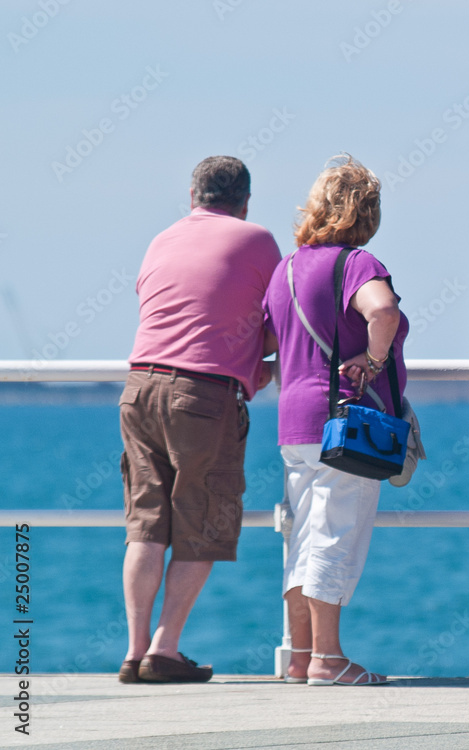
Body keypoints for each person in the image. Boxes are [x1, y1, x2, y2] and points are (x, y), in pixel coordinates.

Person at [118, 156, 282, 683]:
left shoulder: (161, 239)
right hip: (202, 395)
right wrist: (253, 365)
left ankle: (133, 649)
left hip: (139, 387)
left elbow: (163, 309)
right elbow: (280, 322)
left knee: (146, 522)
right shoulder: (256, 239)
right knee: (203, 521)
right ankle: (164, 650)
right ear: (245, 200)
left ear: (192, 197)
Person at [263, 155, 407, 686]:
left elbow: (270, 341)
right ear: (364, 211)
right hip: (344, 420)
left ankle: (301, 656)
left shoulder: (286, 270)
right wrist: (371, 362)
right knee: (334, 535)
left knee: (304, 537)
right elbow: (383, 311)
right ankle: (327, 659)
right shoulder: (357, 265)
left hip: (294, 421)